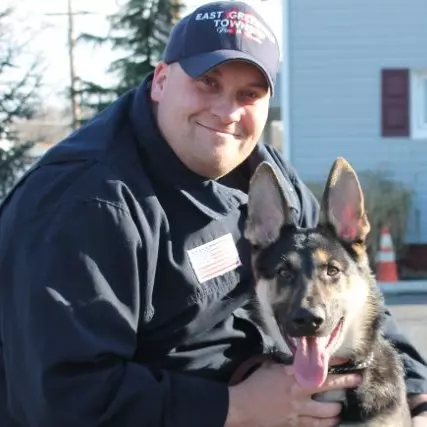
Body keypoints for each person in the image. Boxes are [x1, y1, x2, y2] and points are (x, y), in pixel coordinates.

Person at [0, 1, 426, 426]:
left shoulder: (264, 172)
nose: (226, 112)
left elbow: (354, 294)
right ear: (161, 80)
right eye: (208, 82)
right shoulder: (87, 204)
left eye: (248, 95)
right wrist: (233, 407)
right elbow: (63, 399)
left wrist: (416, 391)